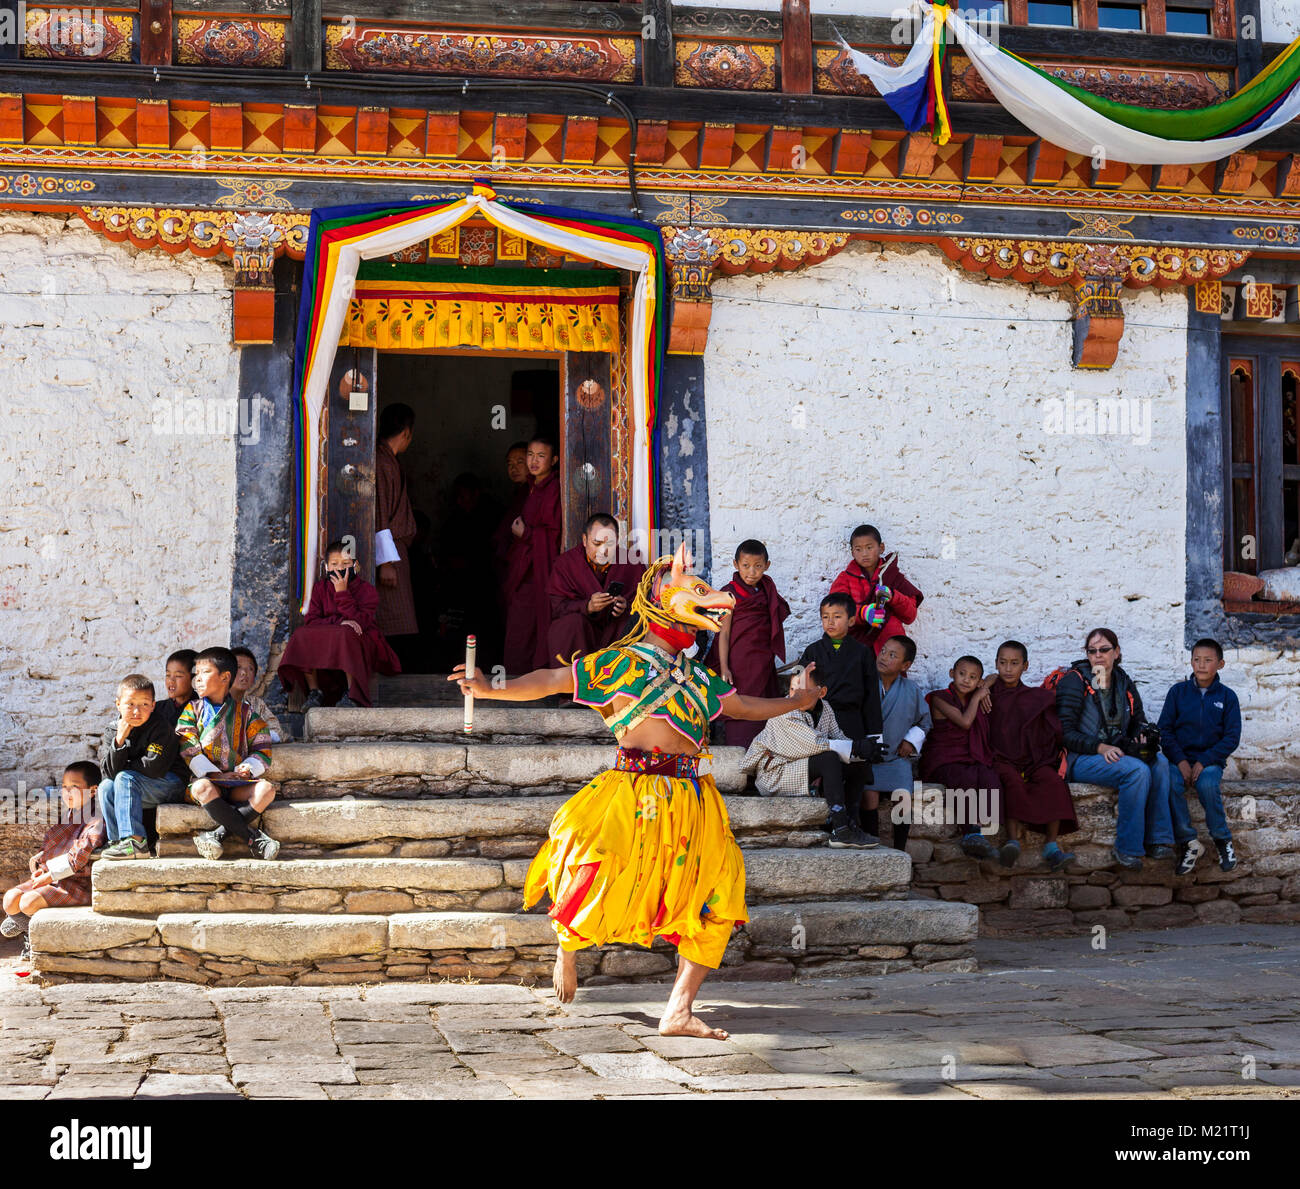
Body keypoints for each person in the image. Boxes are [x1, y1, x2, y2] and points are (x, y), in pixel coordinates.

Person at [451, 545, 822, 1038]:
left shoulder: (698, 676)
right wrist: (493, 688)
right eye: (697, 595)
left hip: (694, 799)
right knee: (593, 871)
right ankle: (568, 943)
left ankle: (679, 1011)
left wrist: (795, 700)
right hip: (633, 792)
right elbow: (553, 679)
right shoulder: (618, 664)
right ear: (663, 602)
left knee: (719, 895)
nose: (714, 604)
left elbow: (743, 708)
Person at [1054, 627, 1174, 871]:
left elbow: (1137, 719)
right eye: (1092, 651)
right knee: (1136, 772)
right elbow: (1064, 733)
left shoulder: (1123, 681)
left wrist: (1141, 737)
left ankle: (1158, 840)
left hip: (1115, 751)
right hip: (1081, 757)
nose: (1098, 655)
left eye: (1104, 649)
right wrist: (1099, 747)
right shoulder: (1074, 681)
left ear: (1117, 652)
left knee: (1159, 763)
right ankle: (1127, 848)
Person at [740, 670, 877, 848]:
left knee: (858, 763)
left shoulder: (825, 707)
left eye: (802, 691)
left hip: (799, 766)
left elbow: (838, 736)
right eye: (792, 689)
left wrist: (861, 751)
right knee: (829, 758)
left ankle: (849, 822)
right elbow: (813, 744)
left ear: (821, 692)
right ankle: (841, 829)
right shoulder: (784, 711)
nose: (795, 696)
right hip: (775, 773)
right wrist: (855, 747)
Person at [795, 592, 885, 843]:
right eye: (825, 617)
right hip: (821, 718)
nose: (830, 622)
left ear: (852, 620)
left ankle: (852, 821)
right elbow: (799, 684)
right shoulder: (813, 650)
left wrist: (875, 736)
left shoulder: (862, 653)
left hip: (852, 718)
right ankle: (831, 822)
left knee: (856, 770)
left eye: (837, 616)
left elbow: (871, 697)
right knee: (830, 766)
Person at [178, 646, 279, 861]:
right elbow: (188, 747)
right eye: (196, 674)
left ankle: (217, 835)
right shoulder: (192, 710)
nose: (197, 679)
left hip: (236, 783)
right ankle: (253, 839)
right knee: (201, 787)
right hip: (209, 782)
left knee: (267, 790)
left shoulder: (247, 713)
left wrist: (247, 768)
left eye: (204, 672)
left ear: (225, 677)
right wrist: (216, 775)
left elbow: (262, 747)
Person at [985, 641, 1078, 871]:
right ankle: (1012, 841)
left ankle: (1051, 846)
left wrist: (1042, 756)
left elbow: (1050, 729)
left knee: (1054, 783)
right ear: (996, 663)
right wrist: (985, 685)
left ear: (1025, 666)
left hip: (1034, 759)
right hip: (1002, 758)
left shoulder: (1035, 697)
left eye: (1014, 663)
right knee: (1012, 782)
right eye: (1003, 662)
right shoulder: (988, 694)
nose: (1008, 668)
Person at [277, 541, 401, 710]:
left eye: (345, 564)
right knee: (301, 634)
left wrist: (342, 593)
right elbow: (312, 620)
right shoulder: (320, 588)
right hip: (330, 634)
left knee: (347, 632)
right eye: (334, 564)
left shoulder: (367, 590)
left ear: (355, 566)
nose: (339, 568)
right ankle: (315, 692)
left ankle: (352, 693)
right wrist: (338, 622)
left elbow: (361, 623)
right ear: (326, 567)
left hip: (361, 637)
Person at [1158, 638, 1242, 875]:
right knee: (1170, 782)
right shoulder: (1178, 693)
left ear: (1221, 664)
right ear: (1191, 661)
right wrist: (1181, 760)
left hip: (1211, 762)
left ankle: (1222, 840)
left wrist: (1205, 760)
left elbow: (1231, 737)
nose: (1201, 665)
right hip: (1180, 759)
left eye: (1208, 660)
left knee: (1206, 785)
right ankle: (1189, 842)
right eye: (1196, 659)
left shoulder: (1228, 697)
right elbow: (1165, 730)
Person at [1, 763, 104, 944]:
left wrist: (50, 876)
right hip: (54, 878)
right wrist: (41, 868)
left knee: (27, 902)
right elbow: (49, 845)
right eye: (64, 787)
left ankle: (32, 941)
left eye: (75, 787)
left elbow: (79, 855)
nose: (67, 792)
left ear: (93, 790)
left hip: (77, 883)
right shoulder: (70, 815)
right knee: (10, 899)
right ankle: (29, 931)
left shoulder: (97, 818)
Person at [706, 539, 791, 749]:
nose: (752, 572)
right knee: (739, 708)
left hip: (762, 661)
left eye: (758, 566)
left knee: (764, 707)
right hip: (738, 663)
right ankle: (741, 756)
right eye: (746, 566)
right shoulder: (729, 594)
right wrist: (724, 667)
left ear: (767, 566)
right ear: (735, 564)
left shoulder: (766, 590)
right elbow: (723, 634)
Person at [97, 674, 189, 860]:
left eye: (144, 704)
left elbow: (153, 768)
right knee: (106, 786)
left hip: (169, 784)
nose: (137, 711)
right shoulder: (113, 730)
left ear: (153, 706)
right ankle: (117, 843)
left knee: (124, 778)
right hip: (136, 786)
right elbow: (107, 772)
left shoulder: (161, 727)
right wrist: (120, 739)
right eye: (130, 704)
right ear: (118, 704)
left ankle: (135, 843)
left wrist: (124, 766)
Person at [919, 656, 1002, 860]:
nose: (966, 680)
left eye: (973, 677)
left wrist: (985, 685)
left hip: (969, 757)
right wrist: (977, 697)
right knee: (964, 777)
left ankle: (982, 832)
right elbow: (965, 722)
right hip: (943, 759)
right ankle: (971, 833)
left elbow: (995, 676)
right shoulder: (940, 697)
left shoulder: (978, 689)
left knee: (988, 776)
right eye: (962, 674)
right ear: (951, 674)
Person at [546, 512, 644, 667]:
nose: (603, 551)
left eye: (609, 544)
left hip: (615, 632)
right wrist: (587, 606)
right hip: (582, 633)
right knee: (570, 624)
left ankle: (623, 682)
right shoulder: (565, 564)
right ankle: (572, 684)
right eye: (596, 543)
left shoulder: (631, 563)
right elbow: (557, 607)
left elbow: (645, 604)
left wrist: (626, 606)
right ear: (585, 540)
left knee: (634, 622)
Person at [865, 635, 930, 851]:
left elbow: (924, 721)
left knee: (903, 798)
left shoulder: (911, 690)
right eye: (883, 651)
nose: (883, 657)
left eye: (892, 655)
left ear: (905, 665)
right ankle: (873, 846)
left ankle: (900, 849)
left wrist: (910, 742)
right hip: (867, 756)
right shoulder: (864, 683)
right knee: (869, 796)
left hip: (895, 757)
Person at [503, 436, 563, 673]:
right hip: (525, 568)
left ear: (554, 460)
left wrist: (526, 534)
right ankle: (516, 680)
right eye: (530, 455)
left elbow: (554, 534)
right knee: (519, 626)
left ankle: (526, 680)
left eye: (541, 456)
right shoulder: (532, 488)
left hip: (538, 571)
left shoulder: (554, 488)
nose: (533, 461)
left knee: (525, 626)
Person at [829, 524, 924, 655]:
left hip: (889, 650)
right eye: (858, 549)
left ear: (881, 548)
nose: (864, 554)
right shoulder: (845, 579)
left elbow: (910, 616)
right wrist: (863, 613)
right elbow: (835, 611)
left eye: (869, 547)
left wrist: (893, 596)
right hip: (855, 647)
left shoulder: (892, 576)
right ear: (852, 552)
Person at [375, 402, 419, 641]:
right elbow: (380, 512)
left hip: (396, 549)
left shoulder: (389, 460)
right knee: (393, 622)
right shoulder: (382, 462)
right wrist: (386, 562)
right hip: (389, 553)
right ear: (406, 433)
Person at [231, 648, 285, 742]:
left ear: (253, 679)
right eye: (238, 667)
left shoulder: (256, 704)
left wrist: (256, 737)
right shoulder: (213, 702)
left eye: (250, 669)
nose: (244, 672)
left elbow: (277, 732)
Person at [156, 648, 197, 729]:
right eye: (168, 675)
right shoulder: (156, 709)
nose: (171, 680)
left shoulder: (200, 710)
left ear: (194, 678)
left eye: (178, 676)